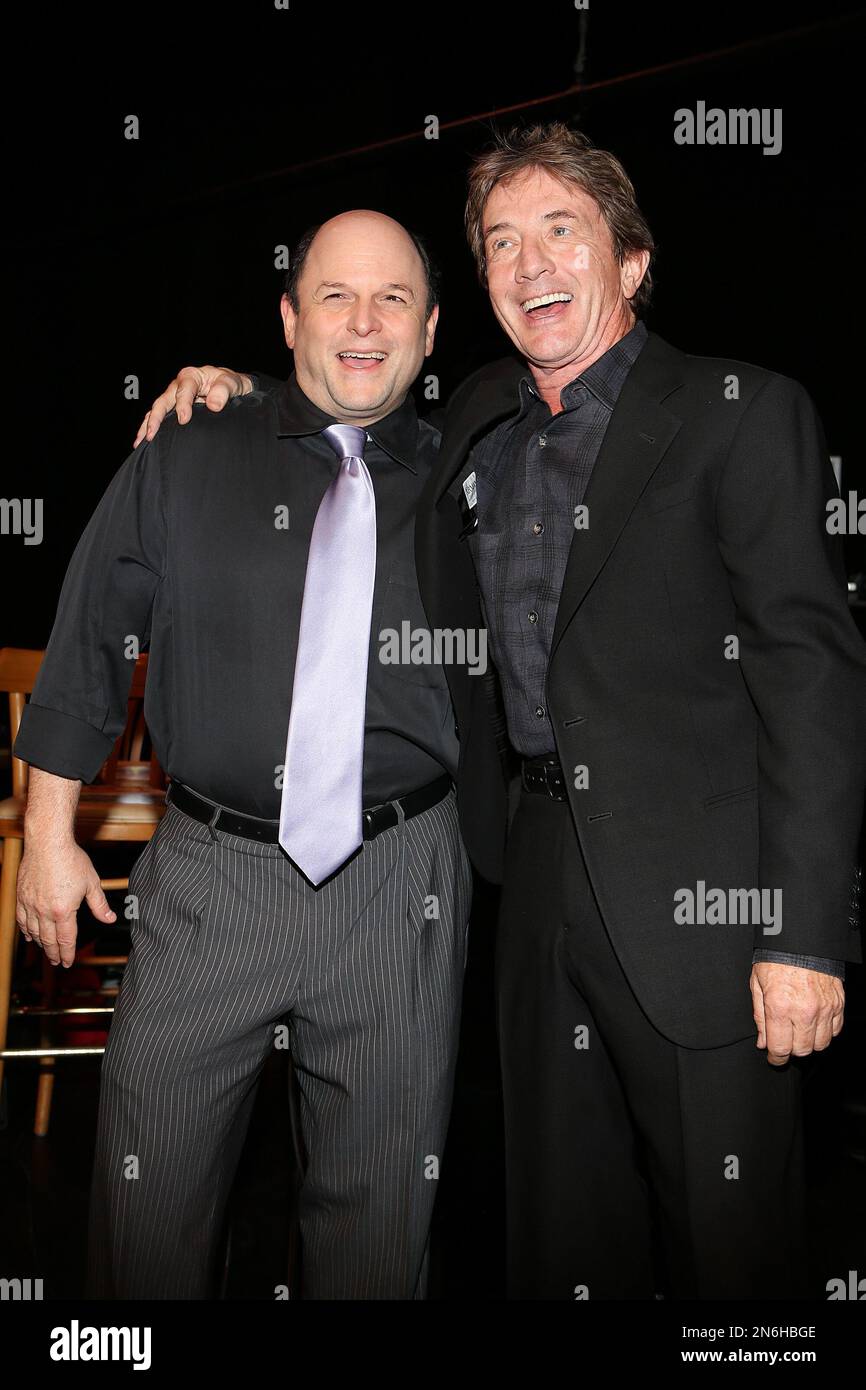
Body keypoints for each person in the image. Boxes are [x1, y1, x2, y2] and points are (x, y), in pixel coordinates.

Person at [133, 122, 866, 1300]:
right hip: (526, 885)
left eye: (560, 232)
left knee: (735, 1263)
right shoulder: (477, 417)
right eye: (500, 242)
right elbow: (339, 404)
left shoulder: (741, 410)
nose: (530, 263)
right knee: (560, 1244)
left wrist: (801, 936)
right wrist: (229, 391)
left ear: (628, 260)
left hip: (707, 913)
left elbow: (812, 673)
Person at [13, 210, 475, 1300]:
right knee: (147, 1219)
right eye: (334, 296)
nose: (363, 324)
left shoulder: (478, 475)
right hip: (207, 885)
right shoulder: (185, 448)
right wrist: (46, 836)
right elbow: (86, 637)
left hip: (400, 883)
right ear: (287, 314)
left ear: (431, 328)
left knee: (375, 1238)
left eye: (393, 299)